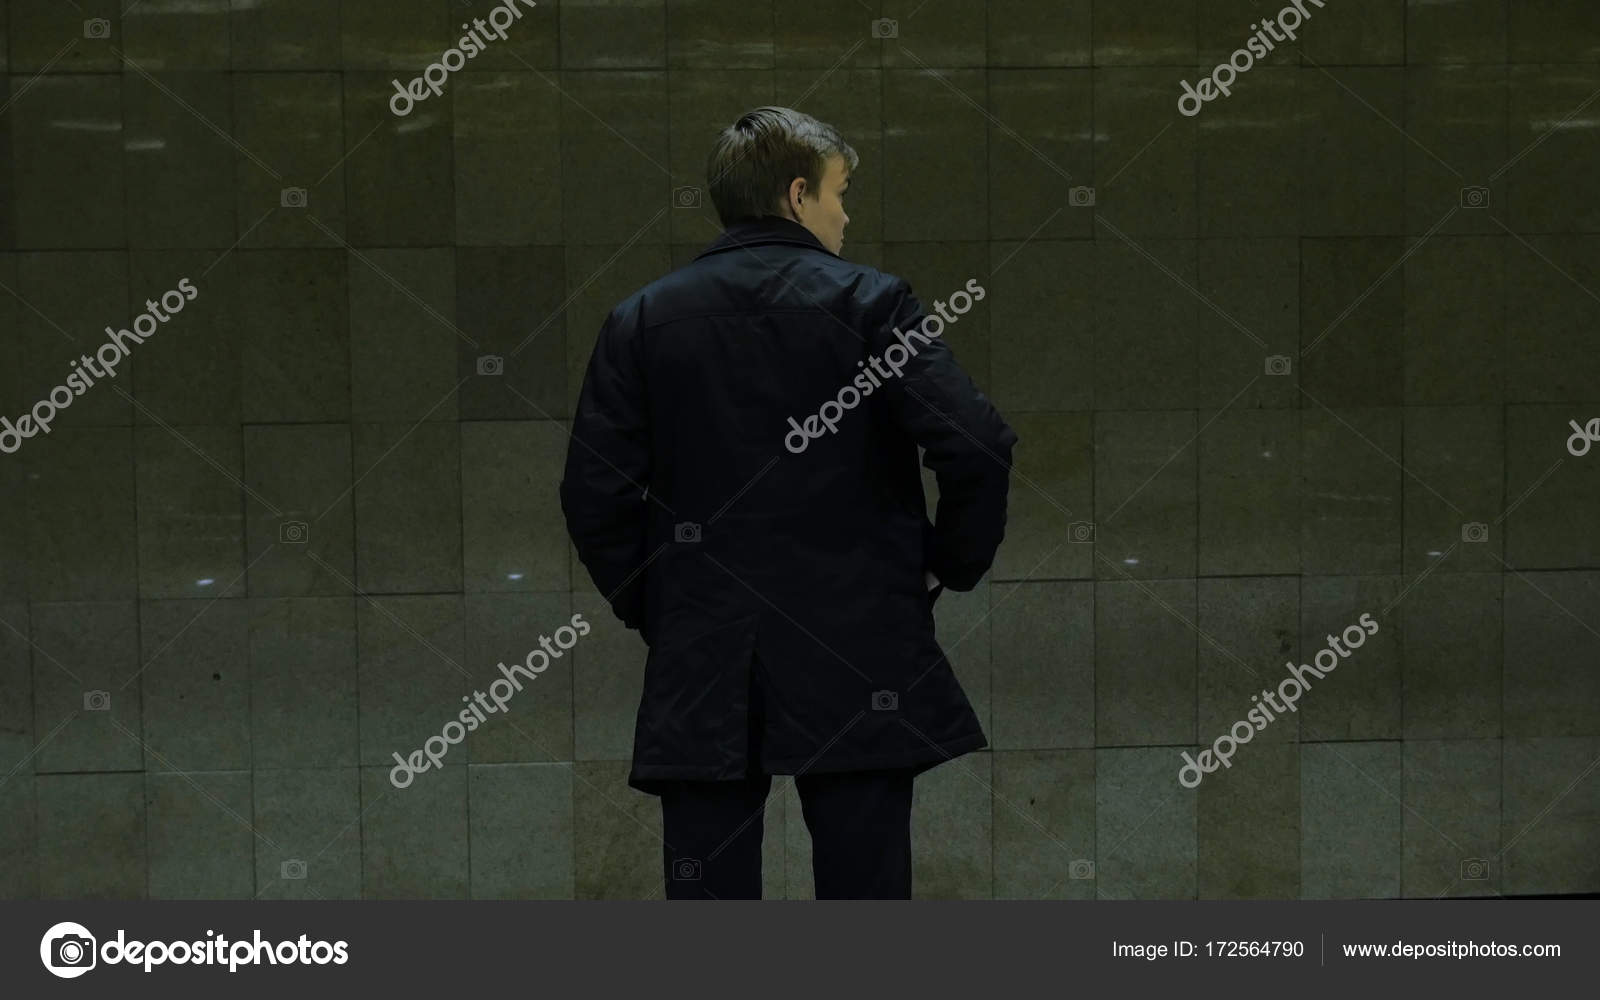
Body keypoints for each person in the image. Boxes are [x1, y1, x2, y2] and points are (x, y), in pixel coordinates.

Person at [559, 106, 1018, 899]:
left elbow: (593, 491)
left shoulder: (641, 320)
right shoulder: (874, 306)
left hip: (705, 650)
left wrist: (658, 603)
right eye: (841, 193)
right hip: (859, 644)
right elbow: (976, 443)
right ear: (798, 194)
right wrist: (947, 565)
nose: (846, 214)